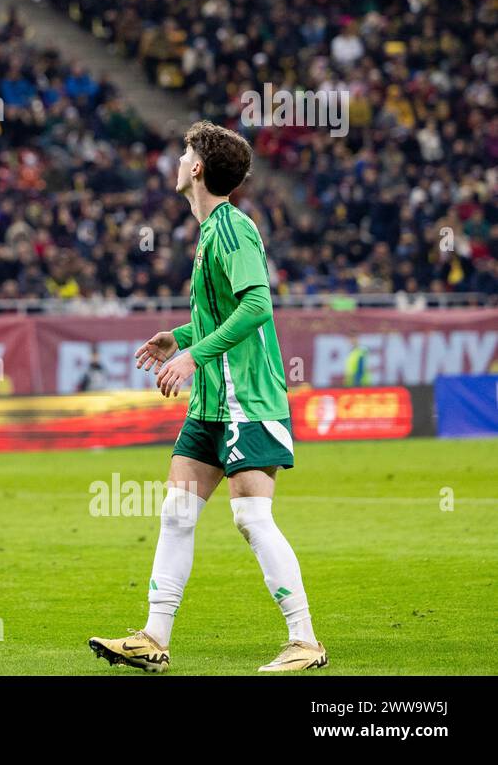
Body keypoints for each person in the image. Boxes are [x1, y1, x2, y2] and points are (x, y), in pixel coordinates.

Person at [88, 122, 325, 673]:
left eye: (184, 152)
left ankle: (305, 640)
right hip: (213, 404)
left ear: (196, 168)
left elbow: (257, 306)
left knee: (251, 518)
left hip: (249, 400)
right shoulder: (212, 229)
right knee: (175, 514)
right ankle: (153, 637)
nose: (177, 160)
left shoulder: (233, 229)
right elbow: (222, 315)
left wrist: (193, 357)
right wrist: (183, 336)